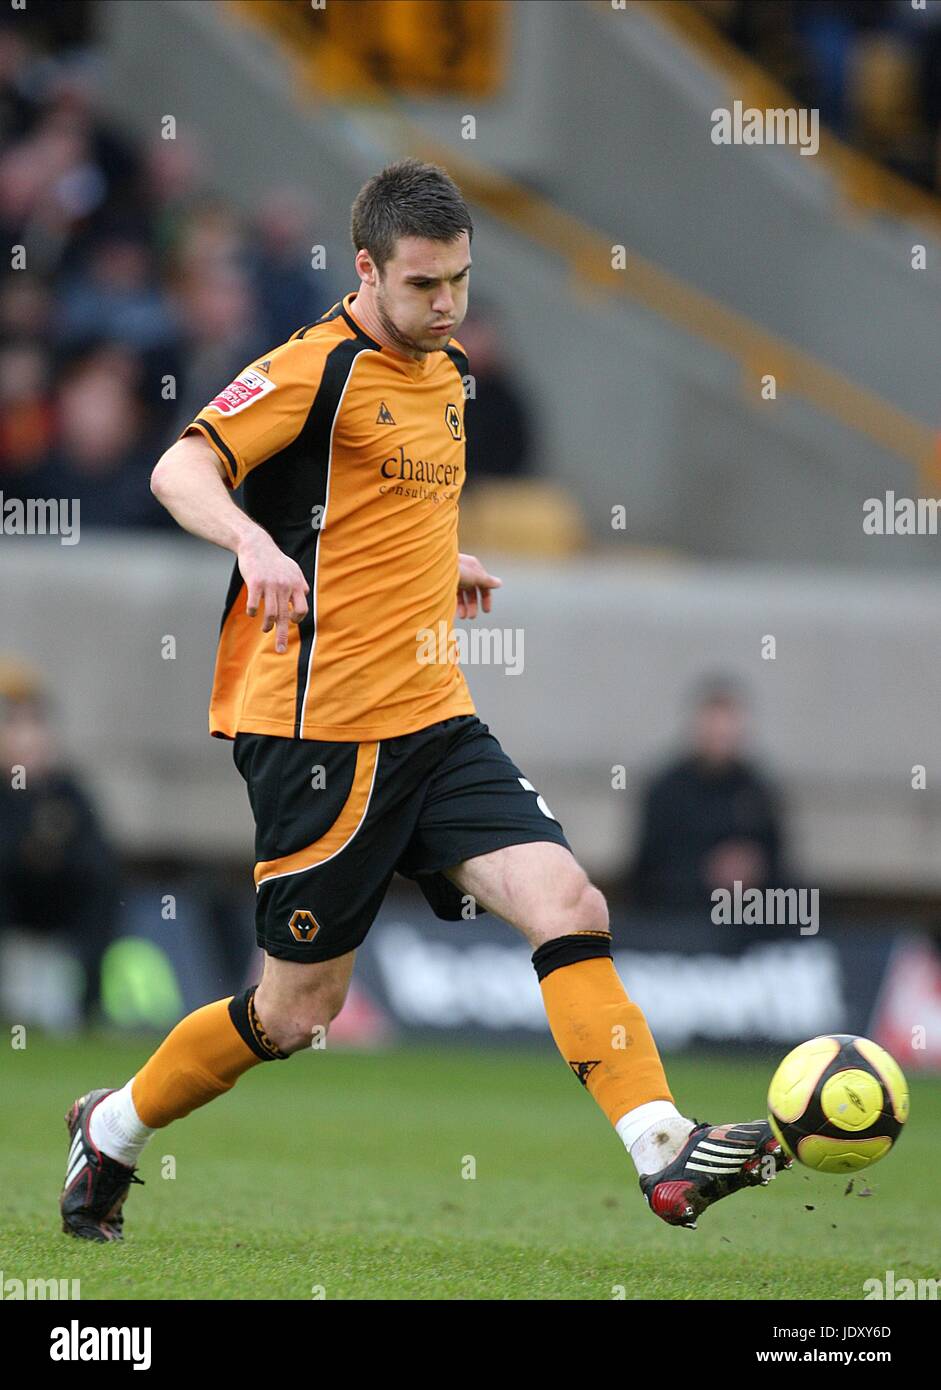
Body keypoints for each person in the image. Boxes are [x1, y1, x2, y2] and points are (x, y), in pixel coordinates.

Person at [59, 160, 791, 1243]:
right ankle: (111, 1126)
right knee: (294, 1012)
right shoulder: (312, 368)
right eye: (422, 285)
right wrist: (254, 541)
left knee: (569, 901)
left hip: (433, 717)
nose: (445, 305)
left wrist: (440, 556)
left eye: (457, 281)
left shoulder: (446, 370)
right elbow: (181, 470)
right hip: (319, 736)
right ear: (366, 270)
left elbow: (377, 500)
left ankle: (660, 1150)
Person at [630, 679, 784, 913]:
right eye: (714, 730)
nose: (720, 740)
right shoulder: (667, 791)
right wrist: (705, 873)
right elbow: (647, 872)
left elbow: (781, 865)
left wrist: (753, 871)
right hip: (678, 922)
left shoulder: (757, 791)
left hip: (743, 924)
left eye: (727, 732)